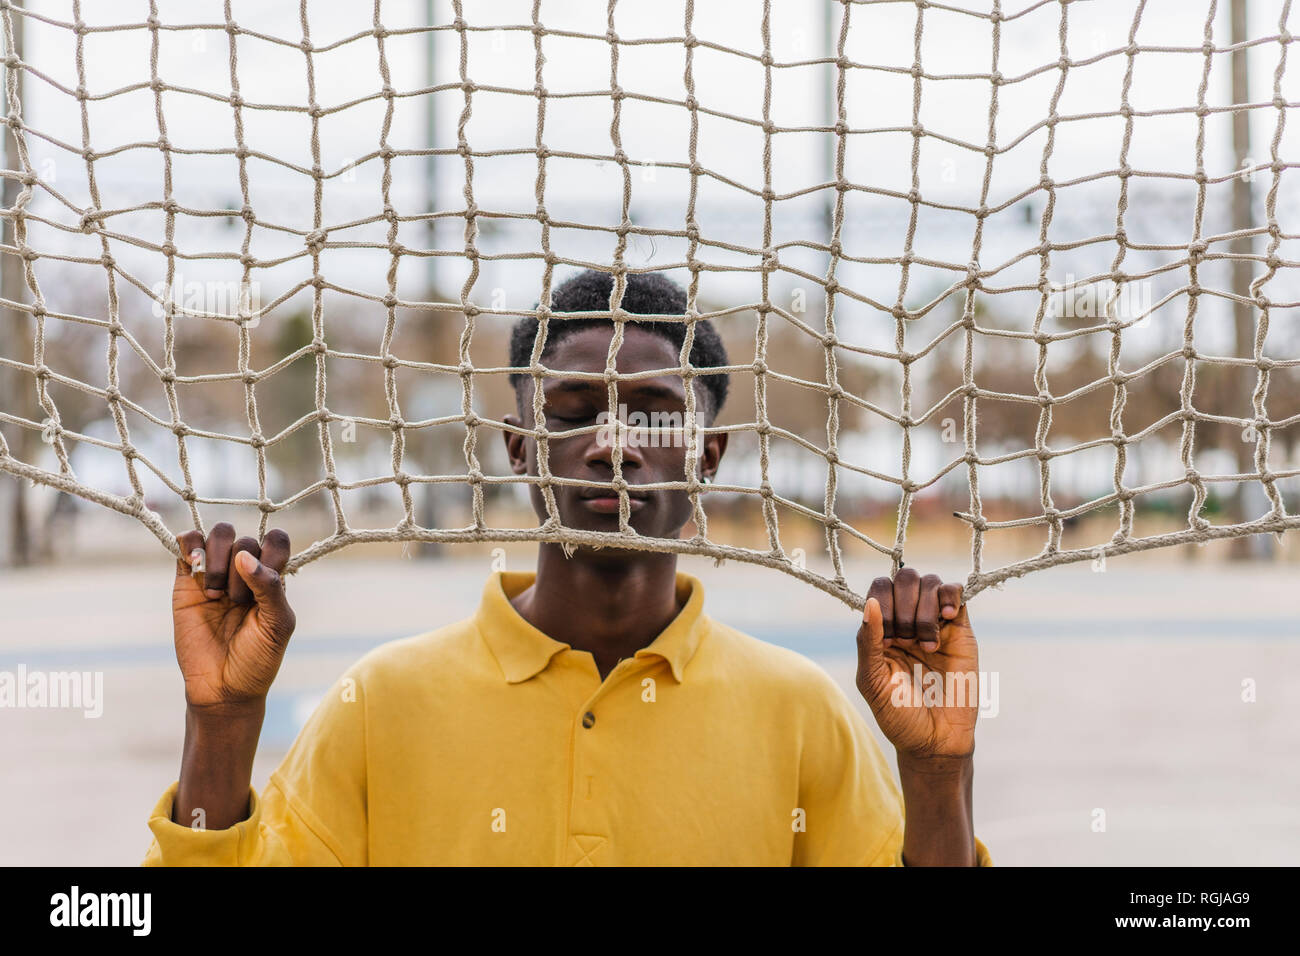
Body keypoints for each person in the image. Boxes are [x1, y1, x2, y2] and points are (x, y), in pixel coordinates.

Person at [144, 269, 992, 866]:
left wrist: (935, 772)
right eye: (573, 413)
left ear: (708, 454)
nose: (613, 445)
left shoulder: (800, 712)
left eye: (655, 417)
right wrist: (221, 721)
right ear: (519, 447)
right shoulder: (382, 703)